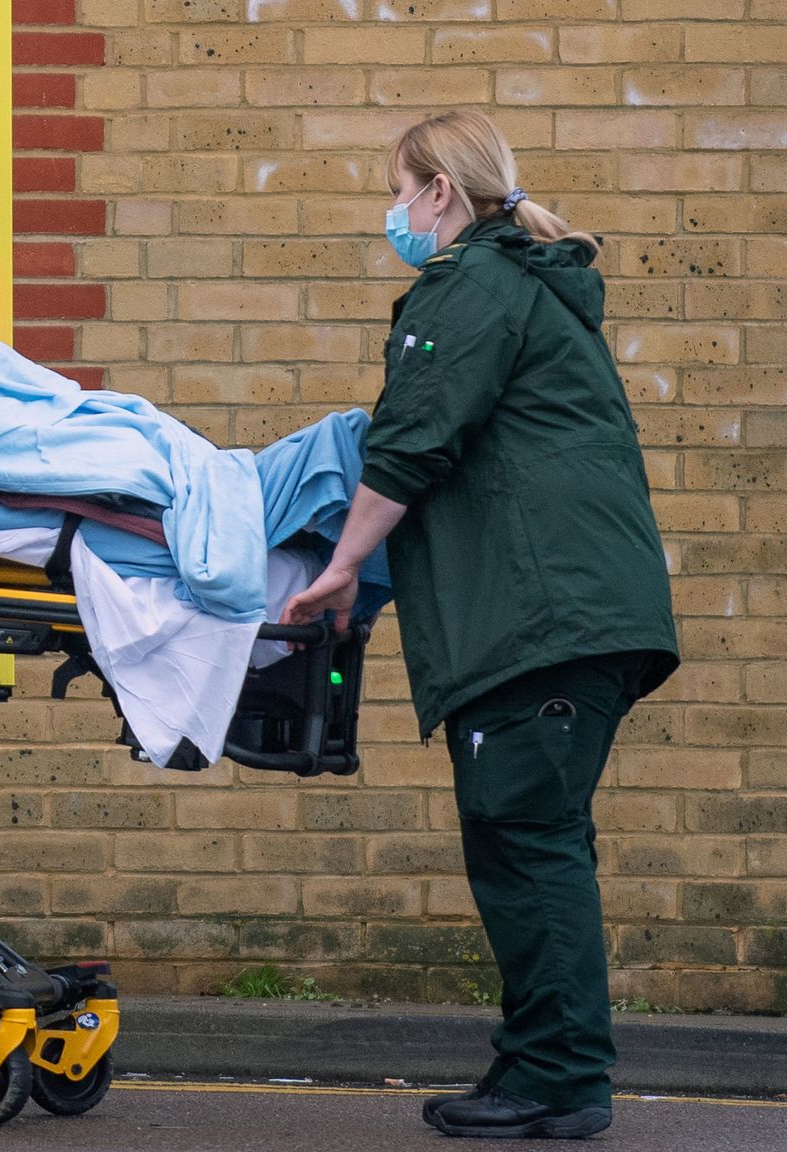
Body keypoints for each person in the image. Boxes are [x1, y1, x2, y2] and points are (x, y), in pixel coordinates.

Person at [281, 110, 678, 1140]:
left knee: (525, 846)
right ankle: (551, 1075)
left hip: (538, 618)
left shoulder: (469, 288)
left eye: (399, 189)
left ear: (439, 194)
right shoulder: (524, 284)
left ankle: (553, 1078)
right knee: (533, 843)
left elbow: (412, 443)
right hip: (567, 614)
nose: (393, 212)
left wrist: (340, 567)